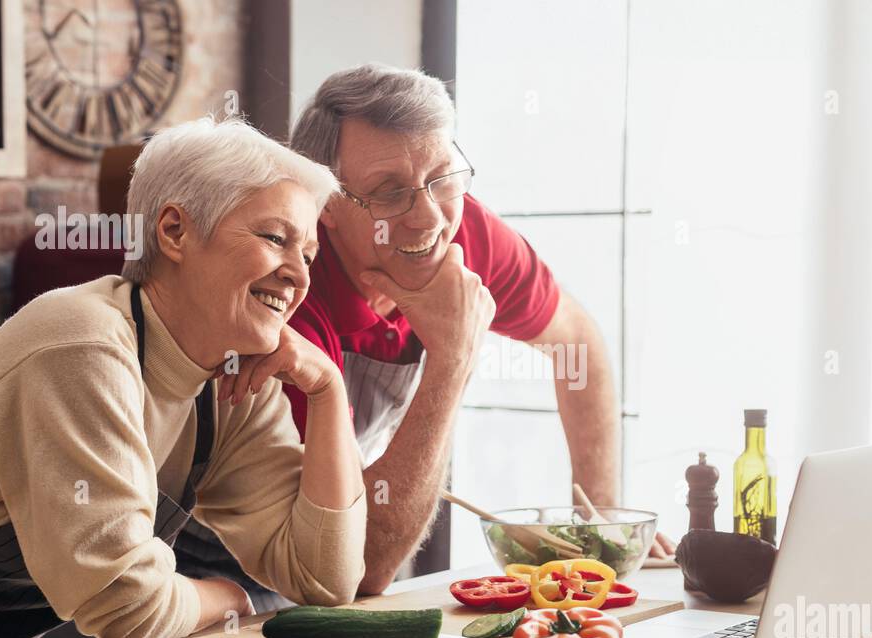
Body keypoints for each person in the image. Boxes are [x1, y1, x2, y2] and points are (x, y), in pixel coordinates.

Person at [0, 117, 365, 638]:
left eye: (307, 254)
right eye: (274, 238)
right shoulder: (81, 342)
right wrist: (227, 596)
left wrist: (328, 389)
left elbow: (325, 579)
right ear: (174, 232)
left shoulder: (233, 386)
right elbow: (131, 608)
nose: (298, 276)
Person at [279, 64, 676, 594]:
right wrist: (452, 357)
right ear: (326, 204)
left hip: (335, 548)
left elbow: (576, 346)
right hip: (211, 549)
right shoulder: (290, 290)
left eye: (442, 178)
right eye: (389, 192)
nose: (429, 219)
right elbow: (365, 564)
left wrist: (600, 524)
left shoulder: (469, 233)